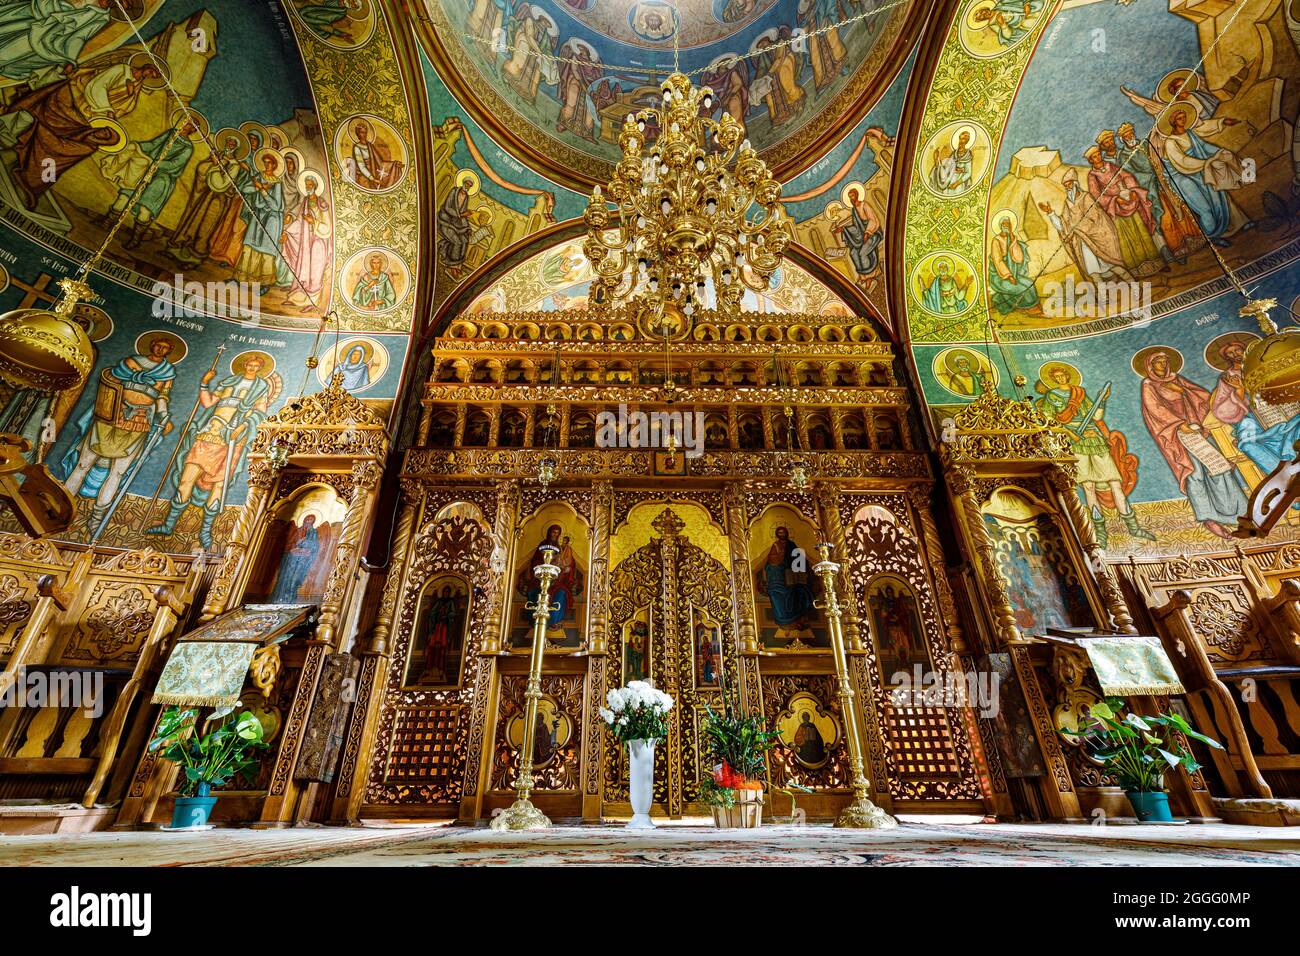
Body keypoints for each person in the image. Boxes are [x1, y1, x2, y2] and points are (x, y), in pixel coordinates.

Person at [147, 354, 277, 549]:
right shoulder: (229, 382)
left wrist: (241, 429)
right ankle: (168, 525)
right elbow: (208, 403)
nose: (252, 367)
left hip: (232, 439)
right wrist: (204, 383)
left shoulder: (261, 387)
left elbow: (259, 412)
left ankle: (206, 531)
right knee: (186, 479)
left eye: (256, 365)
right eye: (249, 364)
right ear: (244, 365)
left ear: (260, 368)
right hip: (209, 433)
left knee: (218, 486)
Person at [1, 55, 163, 209]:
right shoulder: (121, 69)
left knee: (86, 147)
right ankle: (31, 176)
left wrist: (108, 117)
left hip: (87, 115)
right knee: (67, 137)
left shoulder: (135, 86)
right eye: (152, 71)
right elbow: (96, 87)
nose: (151, 75)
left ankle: (36, 180)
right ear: (146, 66)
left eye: (154, 76)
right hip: (70, 100)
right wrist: (106, 110)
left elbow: (124, 107)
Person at [61, 334, 177, 528]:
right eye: (159, 345)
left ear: (168, 351)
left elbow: (162, 397)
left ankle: (97, 518)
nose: (161, 350)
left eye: (165, 348)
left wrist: (164, 418)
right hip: (112, 416)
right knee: (83, 464)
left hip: (139, 422)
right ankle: (61, 507)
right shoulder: (131, 362)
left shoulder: (168, 372)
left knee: (117, 473)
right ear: (152, 344)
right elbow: (110, 382)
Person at [1035, 363, 1154, 546]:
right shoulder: (1052, 396)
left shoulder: (1080, 393)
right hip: (1074, 443)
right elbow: (1048, 421)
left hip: (1094, 439)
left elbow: (1096, 417)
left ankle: (1133, 527)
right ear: (1053, 379)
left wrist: (1102, 400)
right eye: (1057, 377)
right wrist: (1069, 433)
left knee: (1115, 483)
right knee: (1088, 487)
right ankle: (1099, 531)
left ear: (1068, 376)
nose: (1061, 379)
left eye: (1063, 375)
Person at [1139, 349, 1246, 538]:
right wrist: (1180, 425)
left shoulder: (1177, 379)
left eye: (1165, 361)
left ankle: (1237, 512)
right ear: (1150, 365)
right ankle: (1208, 518)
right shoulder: (1149, 384)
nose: (1163, 365)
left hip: (1198, 430)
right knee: (1194, 474)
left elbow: (1202, 396)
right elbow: (1155, 410)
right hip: (1177, 435)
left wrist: (1226, 393)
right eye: (1158, 362)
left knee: (1218, 467)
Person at [1038, 168, 1135, 285]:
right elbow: (1063, 226)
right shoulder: (1067, 204)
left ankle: (1134, 285)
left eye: (1070, 184)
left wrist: (1077, 228)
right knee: (1093, 273)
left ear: (1075, 184)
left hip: (1096, 241)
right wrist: (1051, 213)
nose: (1068, 188)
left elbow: (1095, 218)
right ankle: (1104, 300)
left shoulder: (1086, 198)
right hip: (1082, 244)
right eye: (1066, 186)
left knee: (1113, 266)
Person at [1083, 143, 1162, 277]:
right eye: (1094, 157)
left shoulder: (1111, 166)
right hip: (1115, 209)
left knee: (1141, 230)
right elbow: (1096, 195)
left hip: (1128, 202)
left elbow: (1127, 176)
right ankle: (1136, 269)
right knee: (1126, 237)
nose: (1098, 157)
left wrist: (1130, 191)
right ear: (1091, 160)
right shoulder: (1093, 176)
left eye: (1098, 154)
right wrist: (1114, 200)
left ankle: (1156, 263)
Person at [755, 525, 814, 633]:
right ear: (777, 534)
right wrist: (780, 556)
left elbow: (799, 558)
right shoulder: (776, 545)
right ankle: (785, 621)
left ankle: (799, 618)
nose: (782, 534)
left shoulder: (792, 545)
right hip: (779, 574)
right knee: (778, 594)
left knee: (799, 591)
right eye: (780, 533)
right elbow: (771, 559)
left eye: (783, 532)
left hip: (792, 574)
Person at [987, 214, 1041, 315]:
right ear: (1000, 225)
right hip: (1000, 276)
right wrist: (1009, 276)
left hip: (1014, 274)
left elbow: (1019, 258)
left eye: (1008, 224)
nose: (1006, 226)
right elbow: (998, 261)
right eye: (1004, 224)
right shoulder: (996, 240)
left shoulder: (1011, 238)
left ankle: (1033, 306)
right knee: (1022, 289)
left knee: (1030, 284)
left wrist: (1012, 239)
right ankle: (1027, 308)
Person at [270, 514, 320, 603]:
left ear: (313, 522)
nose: (308, 521)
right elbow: (289, 543)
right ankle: (279, 599)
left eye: (311, 520)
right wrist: (294, 546)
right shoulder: (297, 530)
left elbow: (315, 546)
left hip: (302, 561)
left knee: (295, 580)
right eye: (307, 518)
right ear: (304, 520)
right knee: (286, 578)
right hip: (291, 560)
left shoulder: (314, 532)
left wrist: (305, 544)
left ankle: (291, 600)